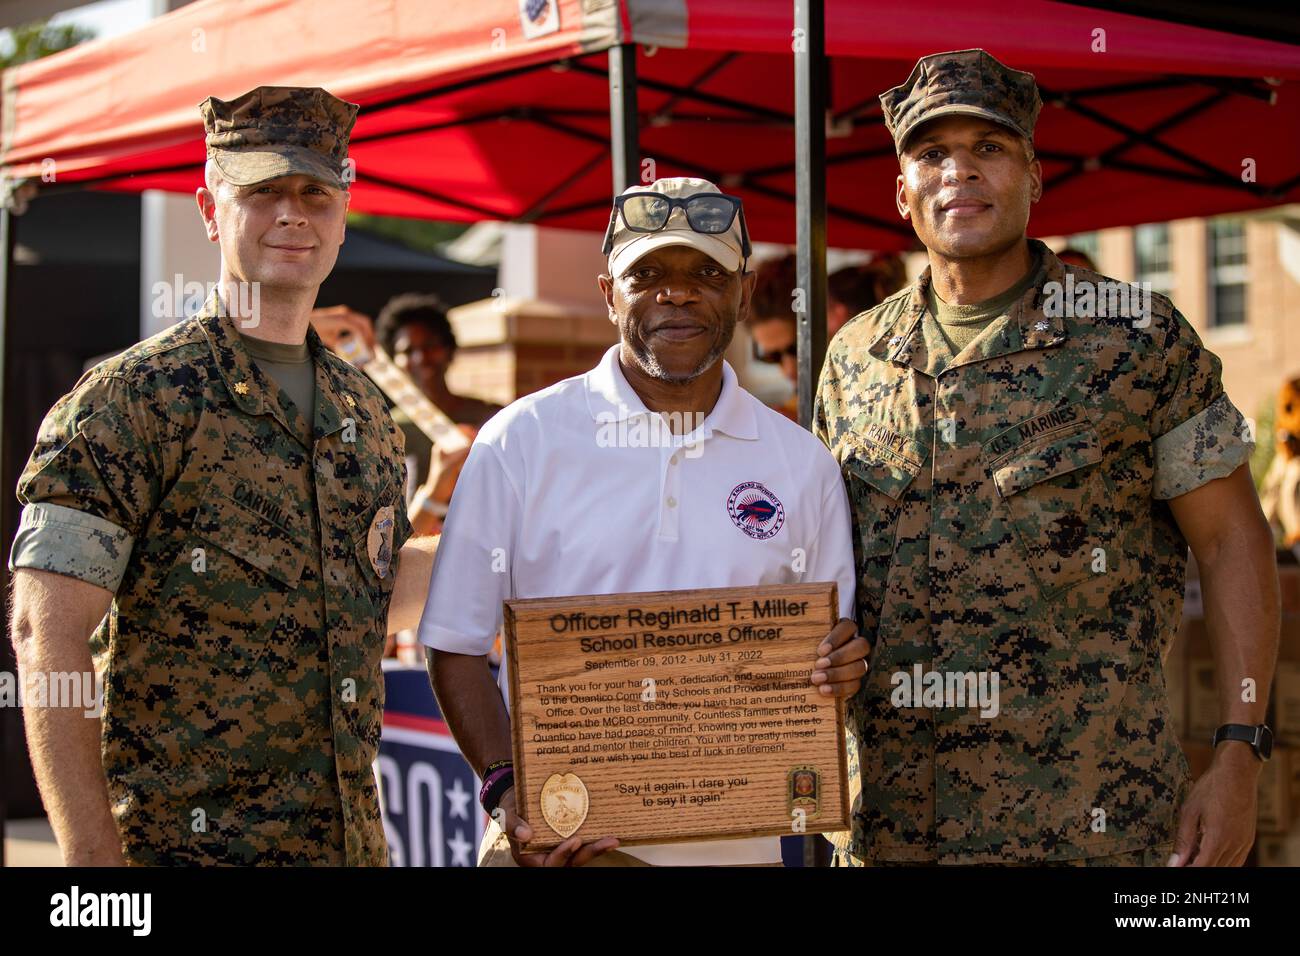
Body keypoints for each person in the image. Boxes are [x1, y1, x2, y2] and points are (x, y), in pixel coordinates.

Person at [816, 49, 1278, 867]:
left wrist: (1240, 747)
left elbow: (1232, 541)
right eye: (931, 155)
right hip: (889, 829)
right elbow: (818, 571)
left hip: (1090, 829)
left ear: (1034, 178)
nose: (960, 172)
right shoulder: (854, 356)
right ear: (901, 194)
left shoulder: (1134, 338)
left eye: (990, 149)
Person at [7, 86, 439, 866]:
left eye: (316, 192)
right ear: (211, 209)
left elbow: (372, 589)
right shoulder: (132, 400)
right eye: (263, 191)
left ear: (344, 213)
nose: (293, 213)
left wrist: (516, 544)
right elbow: (48, 631)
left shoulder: (365, 413)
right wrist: (89, 857)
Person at [419, 176, 869, 866]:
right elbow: (454, 641)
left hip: (736, 850)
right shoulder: (521, 442)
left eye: (706, 273)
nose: (678, 293)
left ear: (742, 293)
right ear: (609, 294)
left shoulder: (802, 465)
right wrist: (509, 788)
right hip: (555, 848)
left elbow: (830, 648)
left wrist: (840, 665)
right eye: (648, 273)